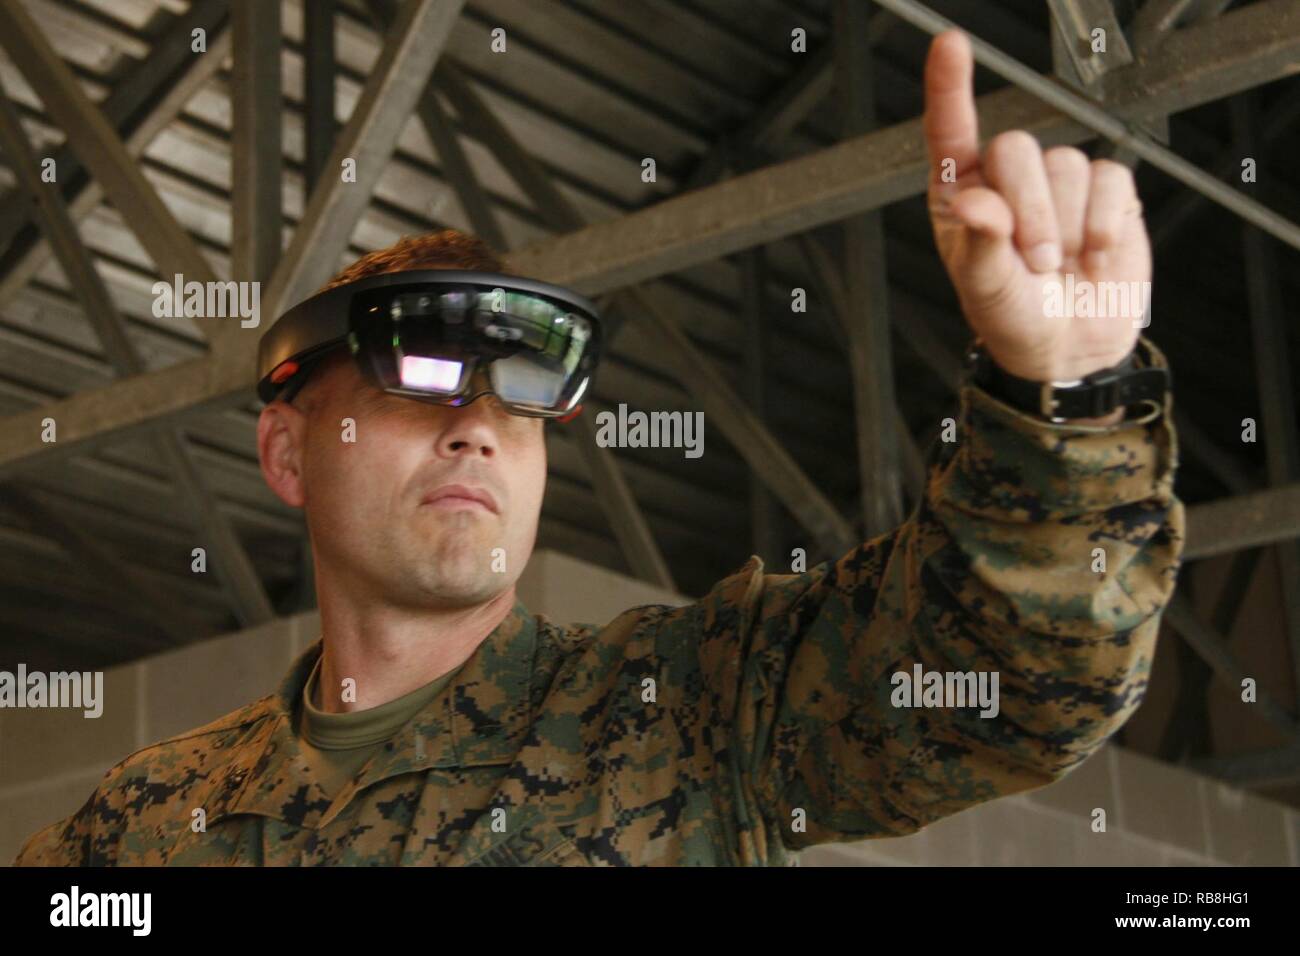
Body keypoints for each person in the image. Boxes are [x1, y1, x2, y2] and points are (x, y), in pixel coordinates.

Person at [14, 29, 1180, 866]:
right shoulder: (142, 829)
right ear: (286, 451)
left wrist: (1064, 393)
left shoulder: (692, 709)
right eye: (419, 377)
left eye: (520, 399)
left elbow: (1021, 685)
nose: (477, 420)